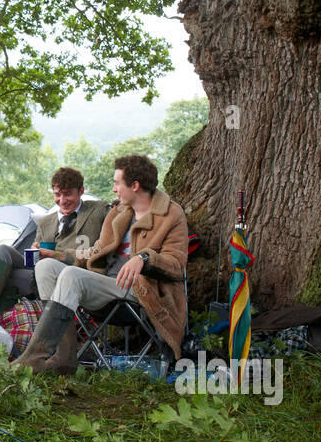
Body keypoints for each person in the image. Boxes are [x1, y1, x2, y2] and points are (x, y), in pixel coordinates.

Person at [13, 155, 189, 375]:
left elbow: (176, 264)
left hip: (143, 291)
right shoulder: (118, 213)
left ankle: (33, 358)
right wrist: (56, 255)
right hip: (106, 285)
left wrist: (144, 259)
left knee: (72, 276)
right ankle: (64, 357)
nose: (114, 189)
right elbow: (93, 252)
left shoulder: (171, 214)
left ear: (134, 186)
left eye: (117, 183)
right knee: (45, 267)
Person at [0, 166, 108, 319]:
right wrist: (35, 250)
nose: (62, 200)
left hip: (74, 274)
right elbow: (35, 257)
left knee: (7, 277)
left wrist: (55, 255)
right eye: (58, 194)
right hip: (41, 274)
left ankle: (1, 325)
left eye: (67, 194)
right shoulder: (46, 222)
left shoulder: (96, 210)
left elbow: (120, 207)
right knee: (3, 250)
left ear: (81, 191)